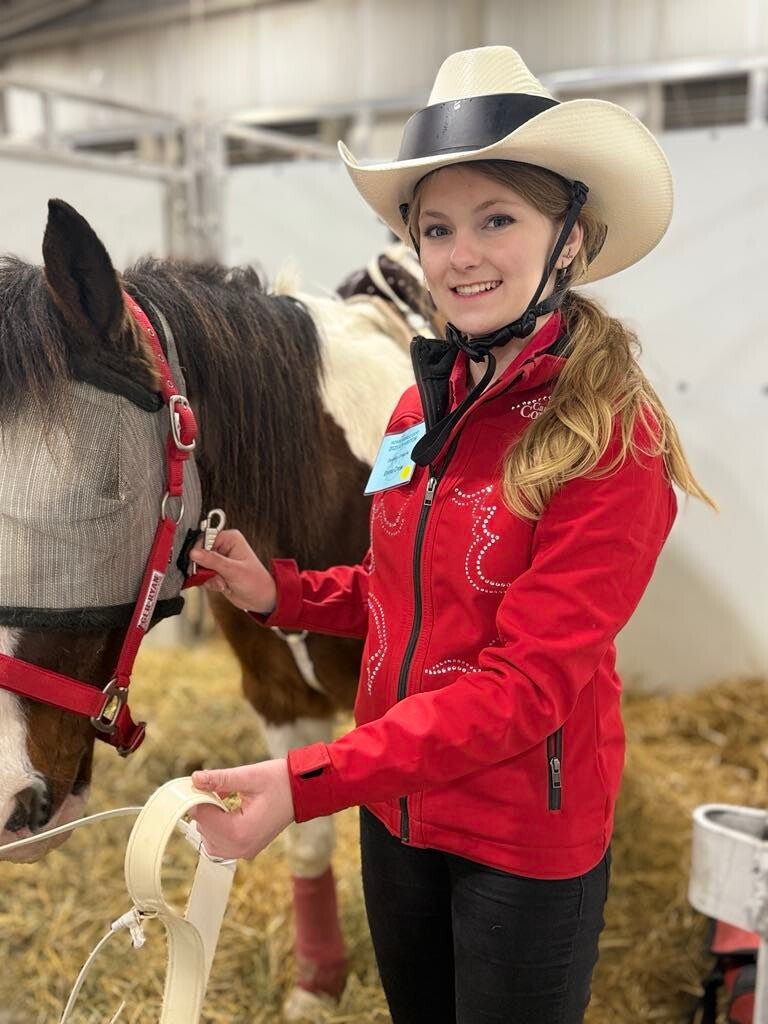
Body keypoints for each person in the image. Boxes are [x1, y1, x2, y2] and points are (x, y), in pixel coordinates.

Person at [189, 45, 714, 1024]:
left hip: (521, 844)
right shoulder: (416, 413)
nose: (460, 254)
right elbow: (397, 591)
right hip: (396, 813)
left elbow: (526, 688)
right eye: (436, 228)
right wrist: (282, 593)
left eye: (496, 219)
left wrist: (310, 780)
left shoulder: (610, 438)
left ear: (571, 238)